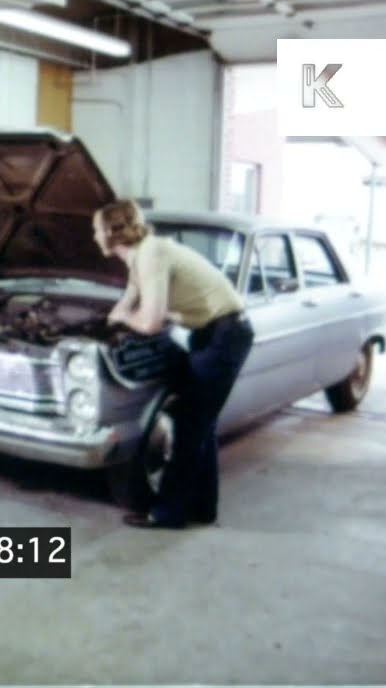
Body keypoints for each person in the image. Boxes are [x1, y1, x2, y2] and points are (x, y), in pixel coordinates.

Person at [92, 199, 255, 529]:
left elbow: (150, 323)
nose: (93, 236)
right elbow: (124, 304)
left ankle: (168, 513)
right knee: (201, 427)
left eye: (96, 229)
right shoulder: (141, 256)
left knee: (189, 428)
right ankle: (202, 507)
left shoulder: (152, 254)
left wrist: (125, 317)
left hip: (225, 335)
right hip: (211, 333)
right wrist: (108, 324)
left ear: (112, 233)